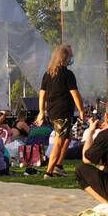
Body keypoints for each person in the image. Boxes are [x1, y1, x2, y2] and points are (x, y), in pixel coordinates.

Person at [36, 44, 83, 179]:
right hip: (63, 112)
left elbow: (42, 95)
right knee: (59, 141)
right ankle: (49, 172)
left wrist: (41, 111)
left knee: (66, 138)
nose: (71, 58)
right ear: (64, 58)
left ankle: (58, 166)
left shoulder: (48, 74)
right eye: (70, 56)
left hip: (53, 112)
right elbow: (75, 94)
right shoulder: (67, 74)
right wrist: (81, 110)